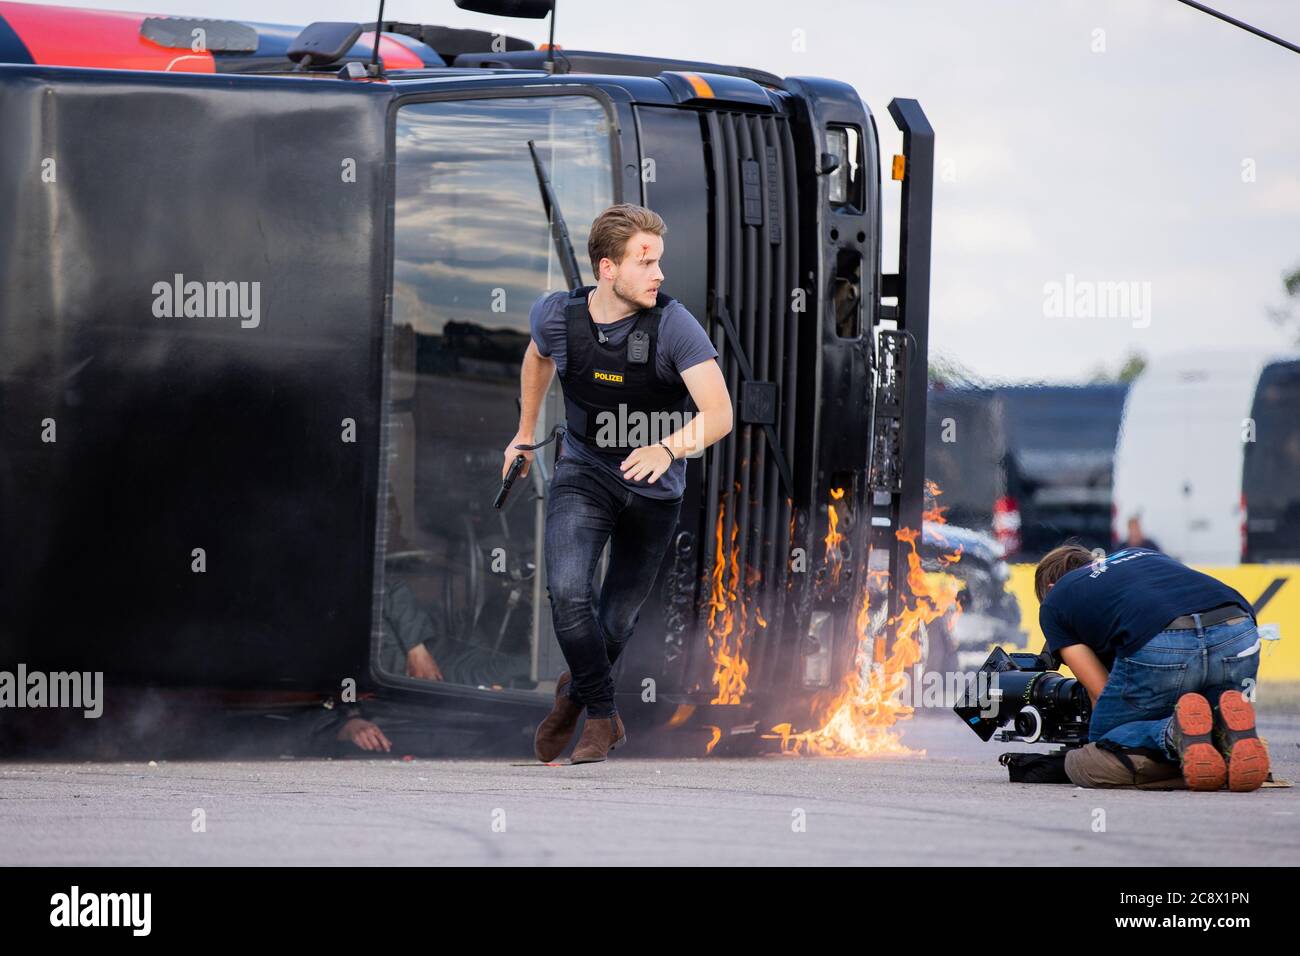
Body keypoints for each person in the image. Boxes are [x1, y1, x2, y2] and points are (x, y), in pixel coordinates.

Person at [506, 203, 732, 764]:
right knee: (567, 594)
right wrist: (522, 432)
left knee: (617, 619)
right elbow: (536, 358)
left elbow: (720, 414)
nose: (658, 274)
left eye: (659, 261)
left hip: (654, 490)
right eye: (645, 261)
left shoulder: (674, 324)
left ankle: (571, 702)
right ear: (608, 269)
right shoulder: (557, 315)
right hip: (584, 469)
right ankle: (603, 718)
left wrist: (668, 446)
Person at [1034, 543, 1270, 791]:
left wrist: (1107, 728)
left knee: (1100, 747)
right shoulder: (1142, 554)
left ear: (1050, 587)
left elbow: (1100, 691)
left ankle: (1173, 733)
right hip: (1238, 630)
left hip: (1163, 643)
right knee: (1208, 713)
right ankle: (1223, 736)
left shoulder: (1055, 600)